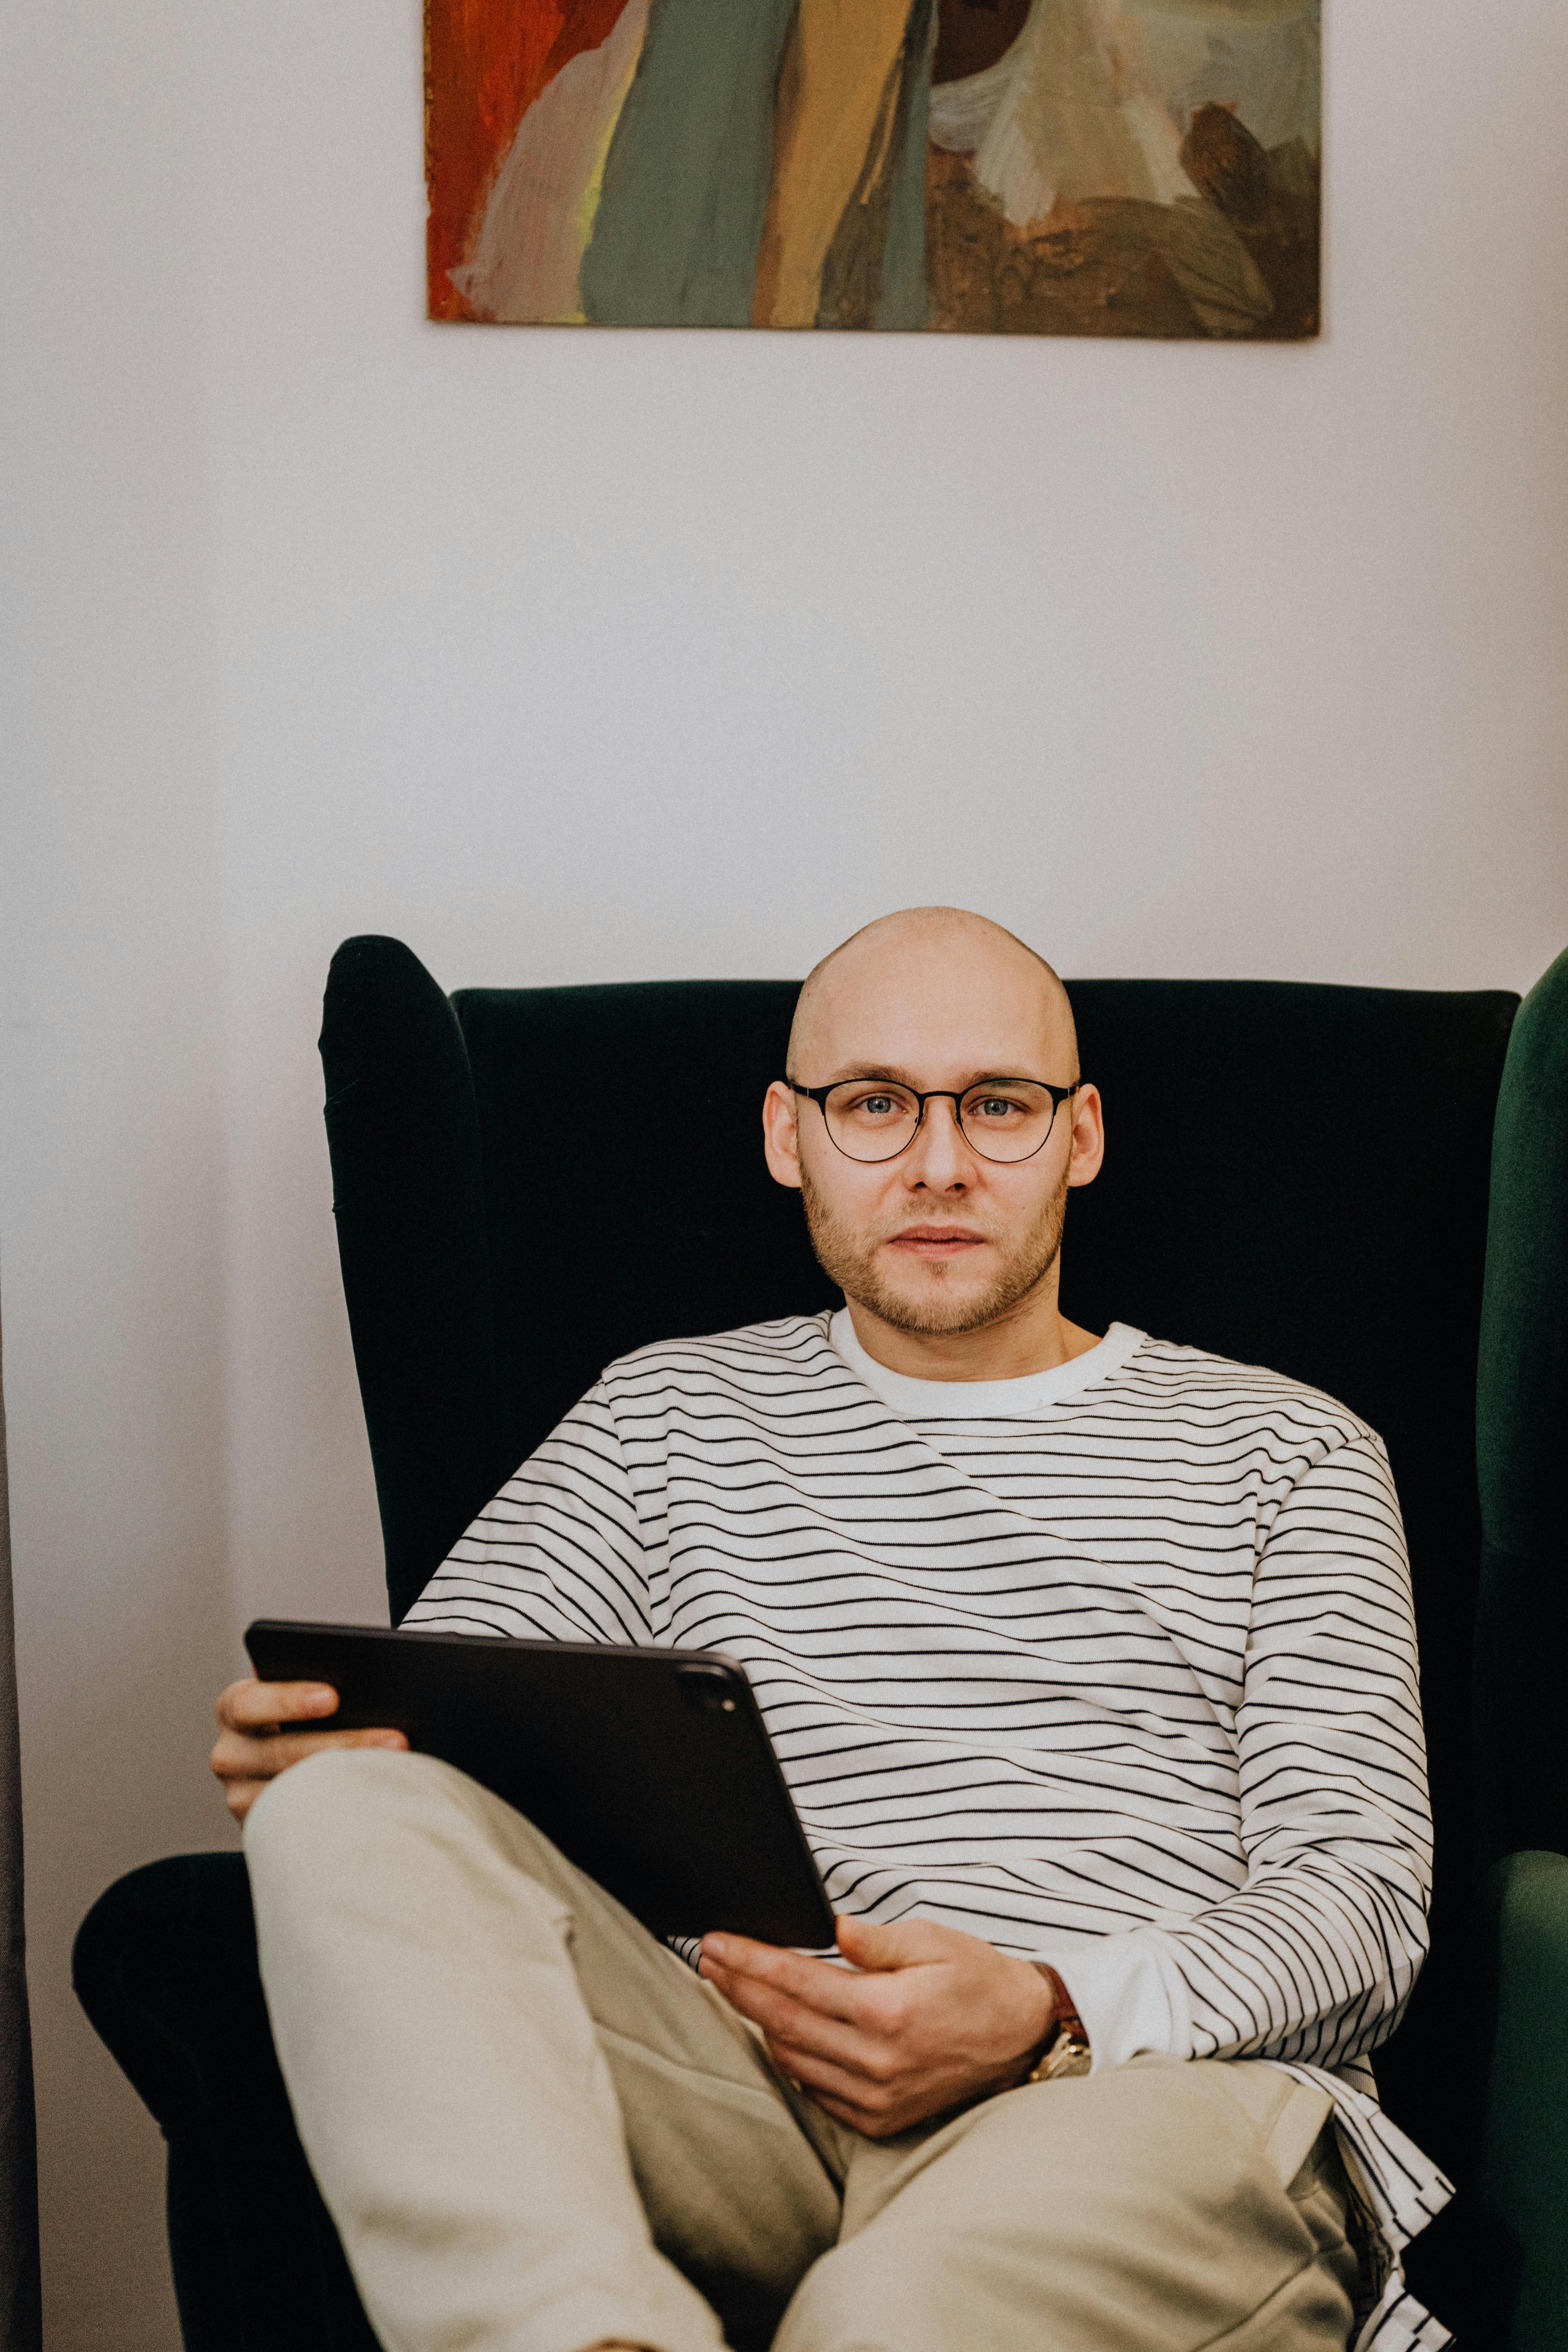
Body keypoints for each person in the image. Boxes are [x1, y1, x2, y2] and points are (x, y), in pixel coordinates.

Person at [213, 907, 1449, 2352]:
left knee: (888, 2315)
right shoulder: (659, 1416)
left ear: (1080, 1136)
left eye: (997, 1105)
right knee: (352, 1808)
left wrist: (1047, 2004)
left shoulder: (1287, 1450)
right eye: (872, 1104)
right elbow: (440, 1749)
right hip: (748, 2097)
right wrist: (322, 1752)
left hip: (1133, 2099)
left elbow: (1363, 1902)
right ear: (785, 1135)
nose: (937, 1162)